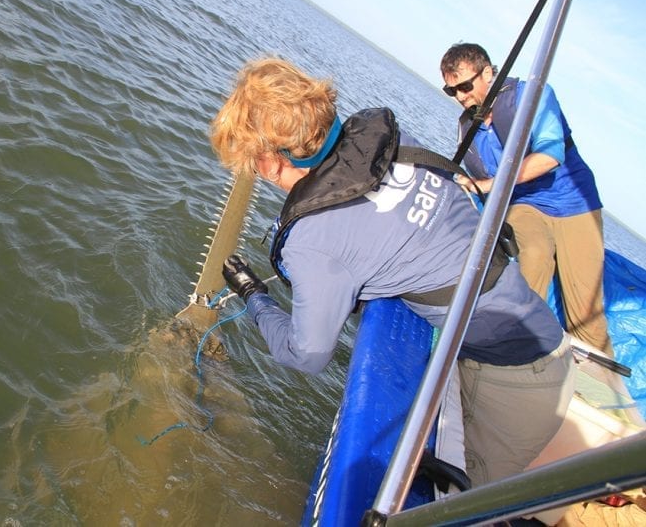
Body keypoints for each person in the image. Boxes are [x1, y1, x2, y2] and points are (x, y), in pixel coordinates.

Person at [210, 56, 575, 488]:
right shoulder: (397, 146)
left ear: (270, 162)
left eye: (250, 161)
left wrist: (255, 295)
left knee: (458, 505)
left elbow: (307, 355)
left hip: (516, 382)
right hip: (536, 334)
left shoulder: (311, 240)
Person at [440, 43, 612, 357]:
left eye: (465, 86)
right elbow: (481, 189)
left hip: (573, 203)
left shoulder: (533, 96)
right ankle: (519, 355)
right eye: (452, 91)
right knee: (532, 255)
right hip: (526, 206)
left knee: (586, 313)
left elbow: (550, 156)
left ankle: (599, 387)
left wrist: (488, 183)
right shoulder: (467, 128)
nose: (461, 97)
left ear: (489, 73)